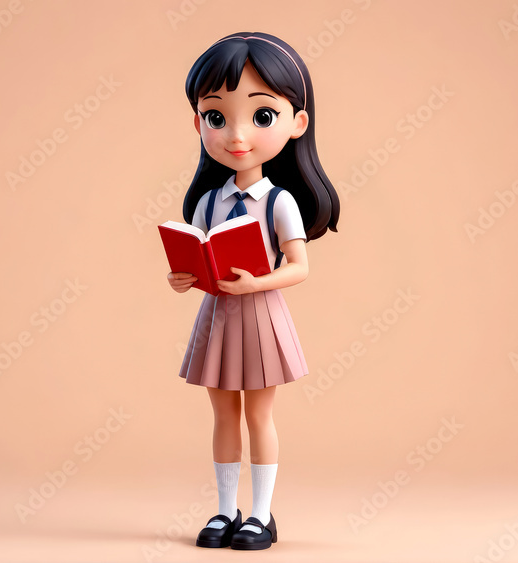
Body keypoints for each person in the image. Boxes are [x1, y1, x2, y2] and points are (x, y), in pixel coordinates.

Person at [166, 32, 340, 551]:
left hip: (260, 316)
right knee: (223, 413)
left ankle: (260, 516)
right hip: (218, 315)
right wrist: (185, 277)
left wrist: (258, 282)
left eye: (262, 116)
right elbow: (200, 255)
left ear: (296, 123)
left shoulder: (279, 202)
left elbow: (299, 266)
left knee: (259, 414)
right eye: (217, 118)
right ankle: (225, 511)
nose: (236, 134)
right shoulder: (208, 202)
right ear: (199, 124)